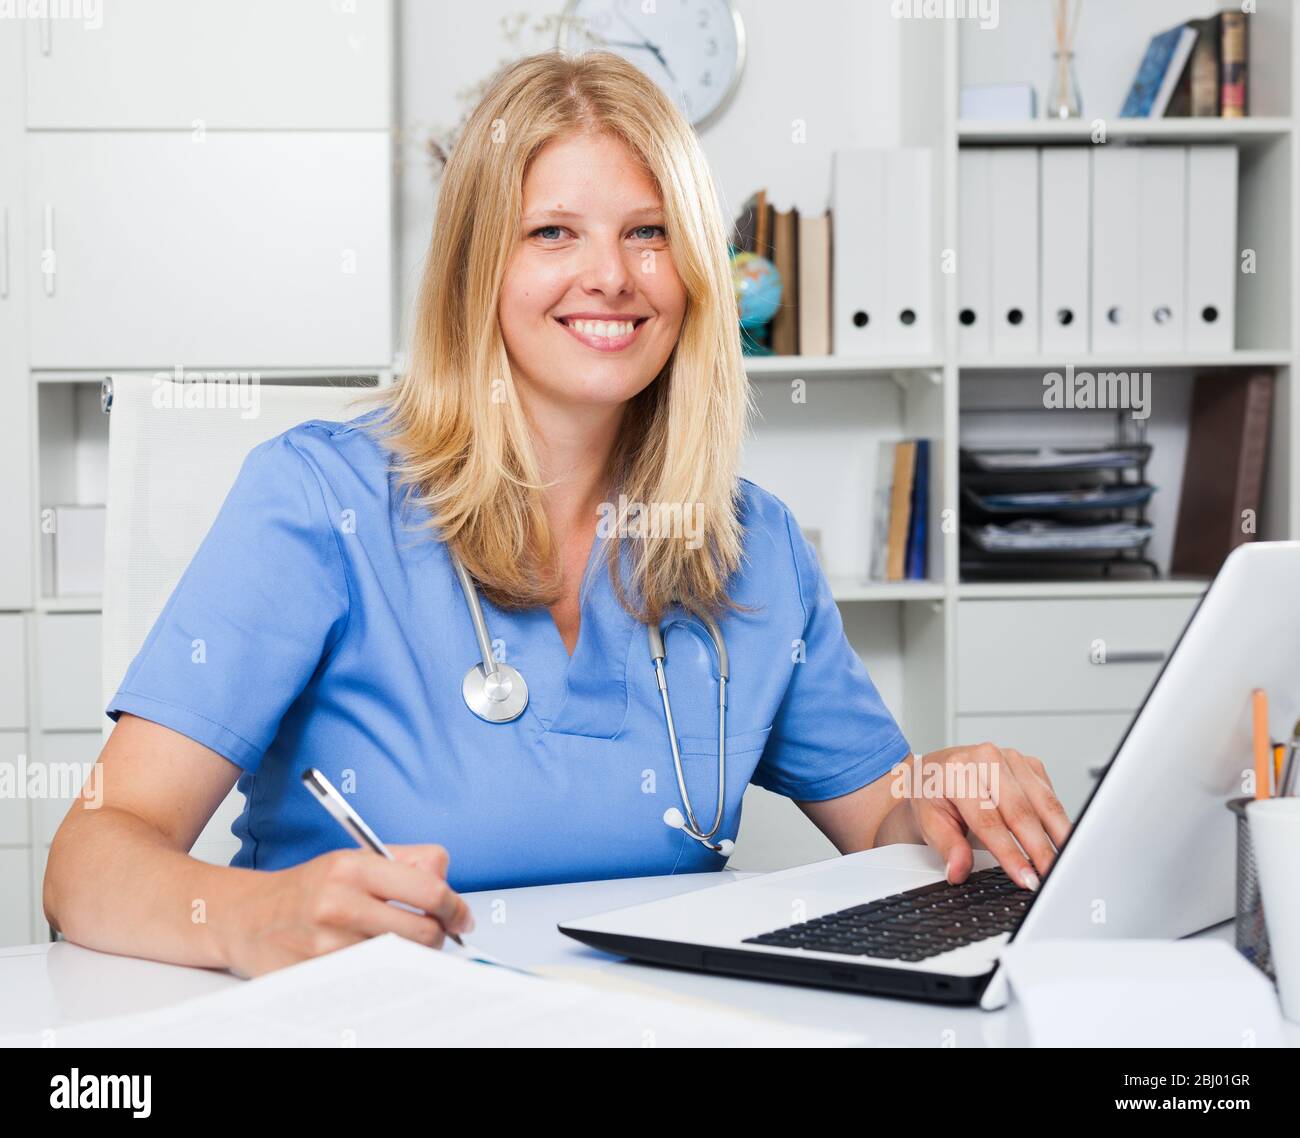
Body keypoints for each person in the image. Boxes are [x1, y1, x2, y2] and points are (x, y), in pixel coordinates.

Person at [44, 51, 1070, 978]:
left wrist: (947, 785)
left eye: (647, 234)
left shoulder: (750, 546)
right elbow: (93, 855)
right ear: (476, 270)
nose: (611, 276)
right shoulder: (319, 500)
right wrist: (248, 916)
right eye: (552, 233)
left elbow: (888, 829)